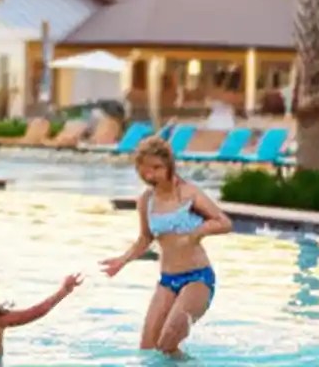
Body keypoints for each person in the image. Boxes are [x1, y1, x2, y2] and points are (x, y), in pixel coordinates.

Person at [100, 136, 233, 356]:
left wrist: (197, 233)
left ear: (169, 165)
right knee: (147, 348)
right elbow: (145, 239)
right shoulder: (146, 200)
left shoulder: (188, 193)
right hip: (167, 281)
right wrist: (122, 261)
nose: (150, 174)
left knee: (168, 342)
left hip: (198, 278)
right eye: (144, 170)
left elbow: (224, 222)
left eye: (156, 167)